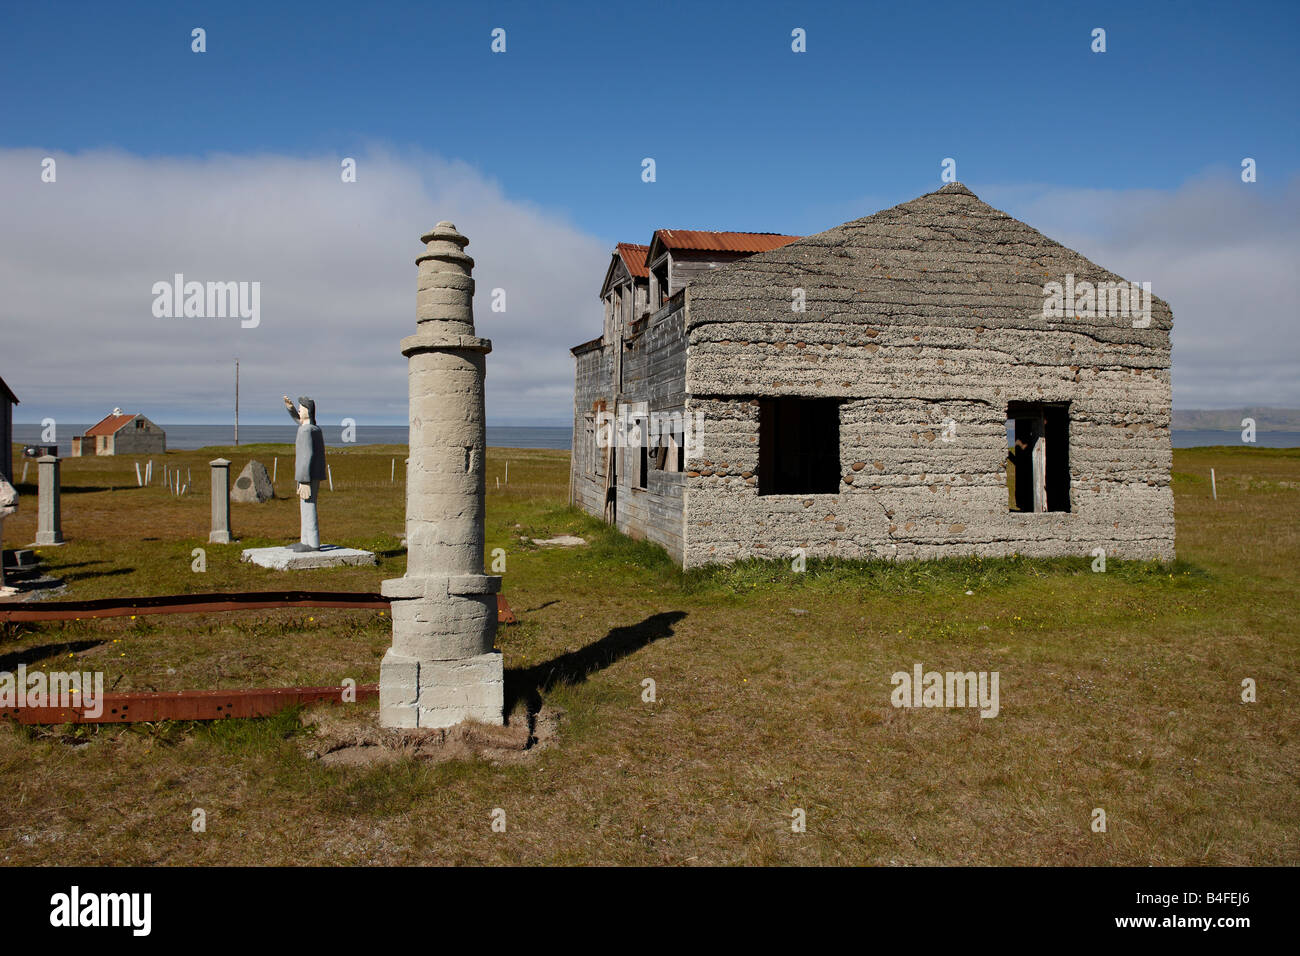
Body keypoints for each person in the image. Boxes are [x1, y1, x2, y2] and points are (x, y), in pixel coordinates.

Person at [283, 395, 327, 552]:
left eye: (301, 408)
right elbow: (301, 421)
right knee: (305, 507)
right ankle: (305, 540)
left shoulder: (307, 431)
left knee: (309, 507)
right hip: (310, 475)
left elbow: (306, 455)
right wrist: (291, 409)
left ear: (308, 410)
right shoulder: (313, 428)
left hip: (307, 477)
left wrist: (304, 481)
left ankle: (313, 543)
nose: (300, 411)